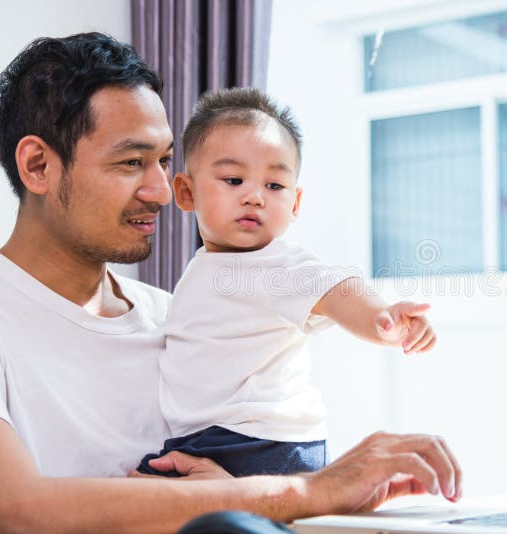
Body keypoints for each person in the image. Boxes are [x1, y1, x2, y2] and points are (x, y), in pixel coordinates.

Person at [0, 32, 461, 533]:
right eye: (132, 162)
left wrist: (250, 496)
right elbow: (10, 512)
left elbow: (222, 492)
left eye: (163, 160)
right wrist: (309, 490)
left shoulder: (177, 315)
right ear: (38, 165)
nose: (161, 190)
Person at [136, 88, 437, 479]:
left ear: (295, 204)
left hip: (255, 442)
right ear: (186, 192)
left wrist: (381, 317)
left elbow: (334, 288)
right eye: (233, 179)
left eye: (274, 186)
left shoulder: (274, 264)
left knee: (139, 490)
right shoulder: (208, 267)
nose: (255, 197)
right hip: (229, 439)